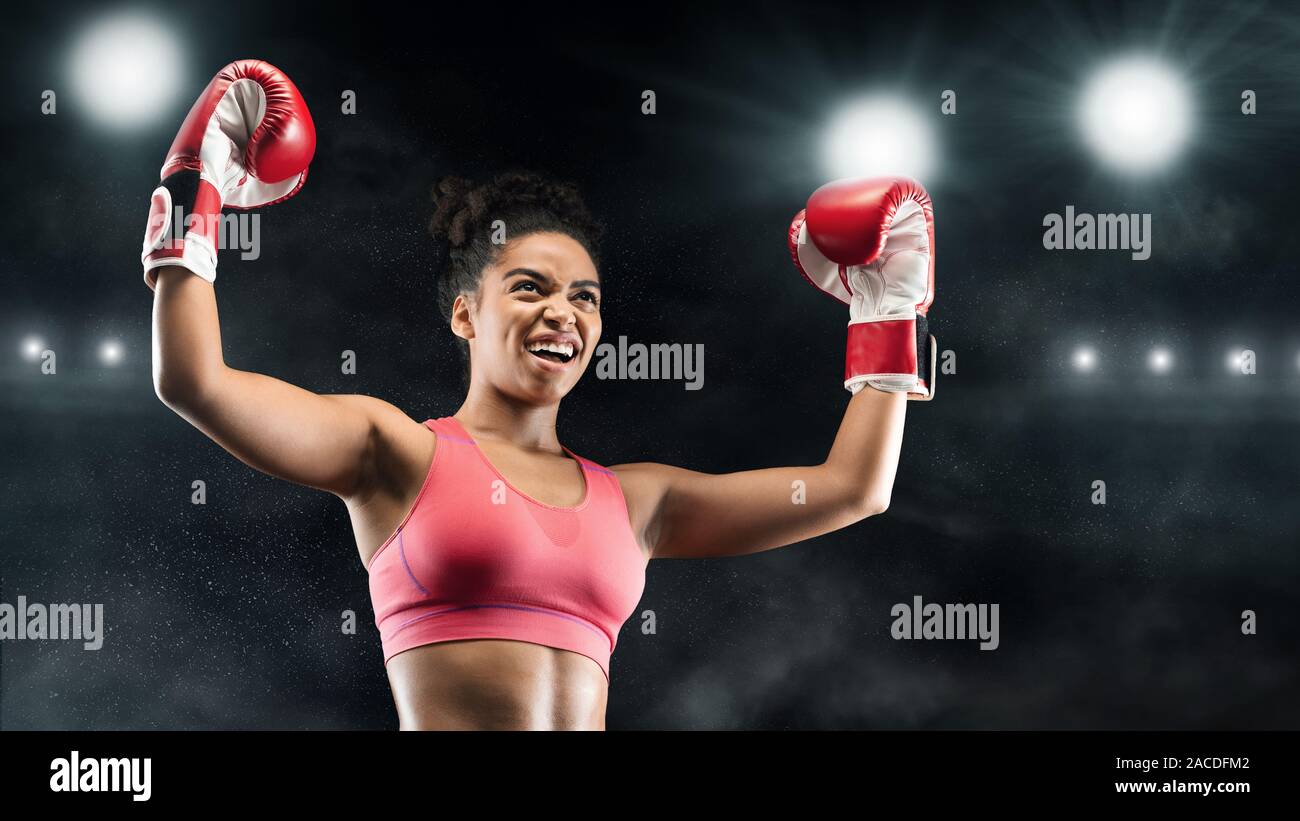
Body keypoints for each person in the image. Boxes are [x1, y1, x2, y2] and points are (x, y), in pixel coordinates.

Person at [146, 60, 936, 730]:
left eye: (585, 297)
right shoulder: (394, 451)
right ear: (466, 313)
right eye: (531, 287)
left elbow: (853, 490)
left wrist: (889, 315)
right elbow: (195, 381)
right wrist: (195, 191)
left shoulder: (637, 500)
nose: (564, 311)